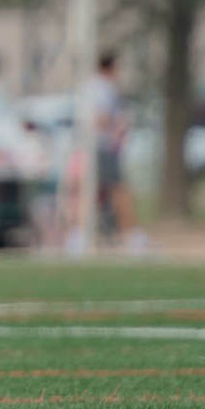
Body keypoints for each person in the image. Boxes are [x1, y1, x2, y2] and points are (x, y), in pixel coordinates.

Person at [70, 51, 146, 256]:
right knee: (119, 191)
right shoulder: (103, 88)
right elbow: (101, 119)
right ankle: (133, 238)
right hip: (102, 147)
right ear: (109, 67)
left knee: (91, 192)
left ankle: (79, 237)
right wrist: (119, 126)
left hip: (91, 146)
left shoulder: (89, 87)